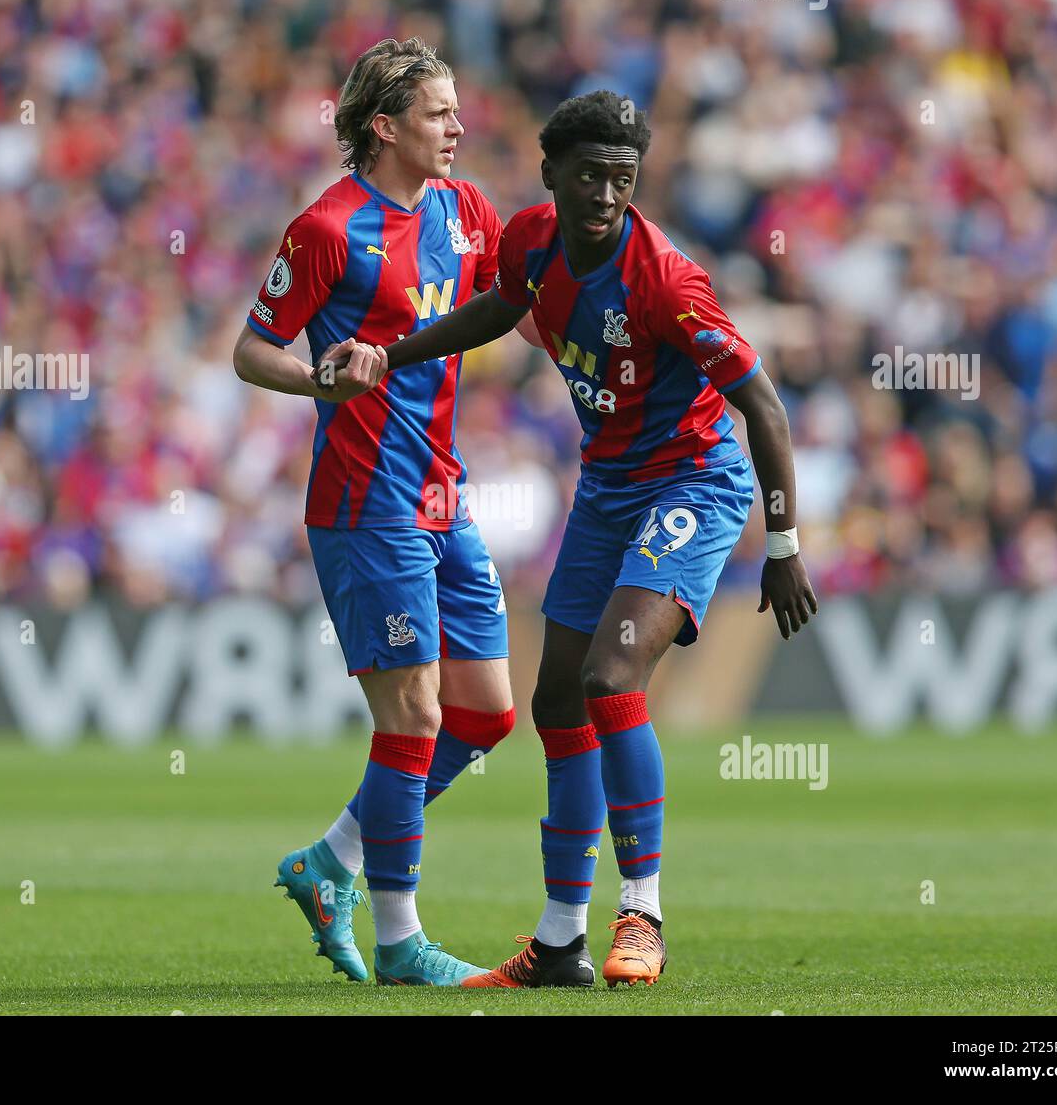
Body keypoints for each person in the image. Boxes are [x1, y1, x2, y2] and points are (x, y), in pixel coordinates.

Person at [323, 90, 818, 989]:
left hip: (692, 482)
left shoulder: (666, 280)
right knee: (556, 702)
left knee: (609, 677)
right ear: (552, 173)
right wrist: (392, 354)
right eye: (590, 175)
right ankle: (559, 943)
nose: (606, 195)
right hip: (607, 488)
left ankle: (644, 915)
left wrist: (782, 546)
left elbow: (765, 407)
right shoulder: (530, 241)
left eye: (623, 180)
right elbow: (494, 311)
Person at [232, 37, 519, 987]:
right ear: (386, 126)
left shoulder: (467, 211)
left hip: (445, 493)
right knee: (416, 714)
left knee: (487, 712)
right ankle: (401, 940)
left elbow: (511, 309)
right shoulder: (327, 228)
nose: (458, 126)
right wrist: (320, 380)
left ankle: (333, 860)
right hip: (364, 504)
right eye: (440, 113)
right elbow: (251, 350)